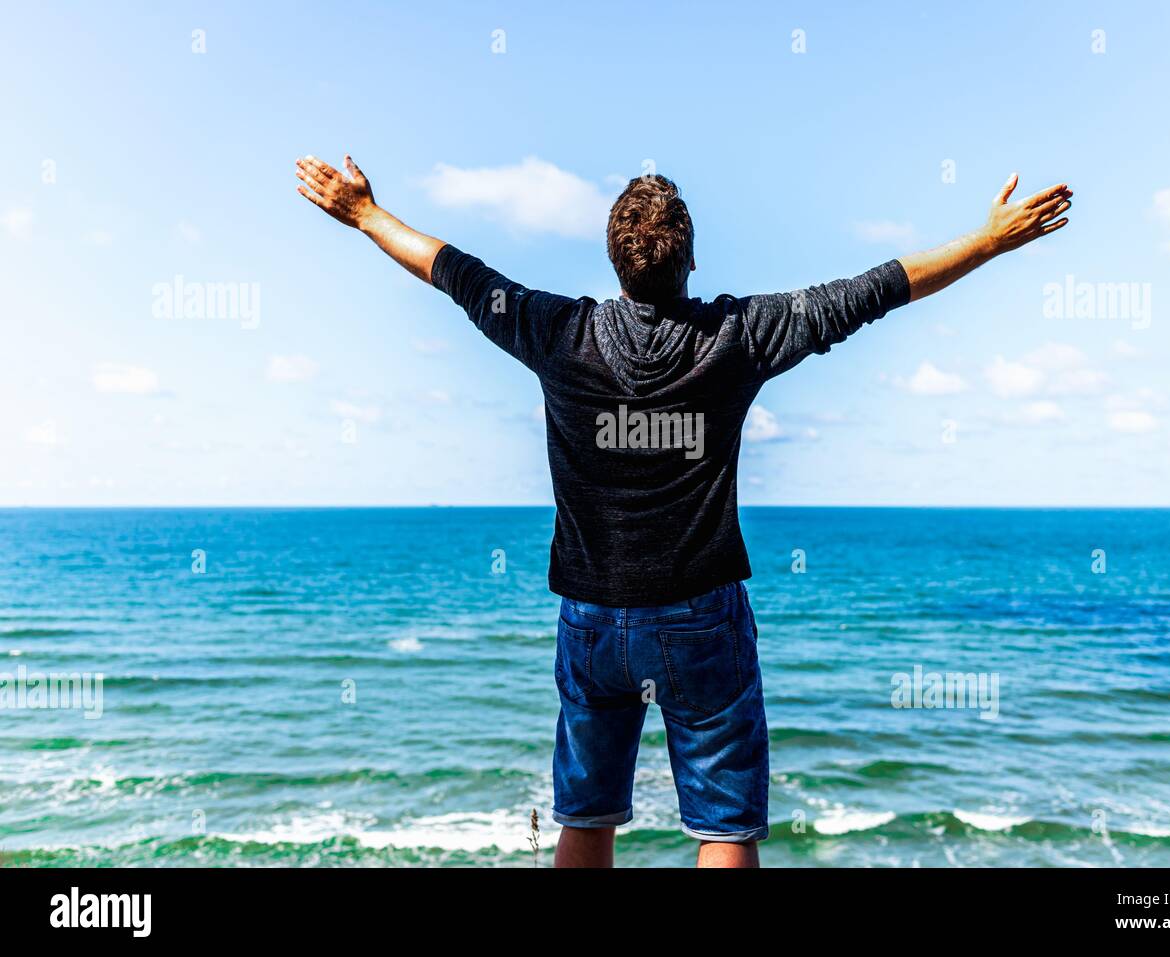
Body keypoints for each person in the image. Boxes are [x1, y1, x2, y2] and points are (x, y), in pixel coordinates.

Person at [295, 155, 1071, 867]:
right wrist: (990, 241)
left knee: (585, 818)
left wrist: (365, 213)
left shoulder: (557, 331)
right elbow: (878, 288)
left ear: (613, 260)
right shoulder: (738, 335)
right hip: (701, 617)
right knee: (723, 827)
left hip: (594, 617)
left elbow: (453, 271)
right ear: (690, 259)